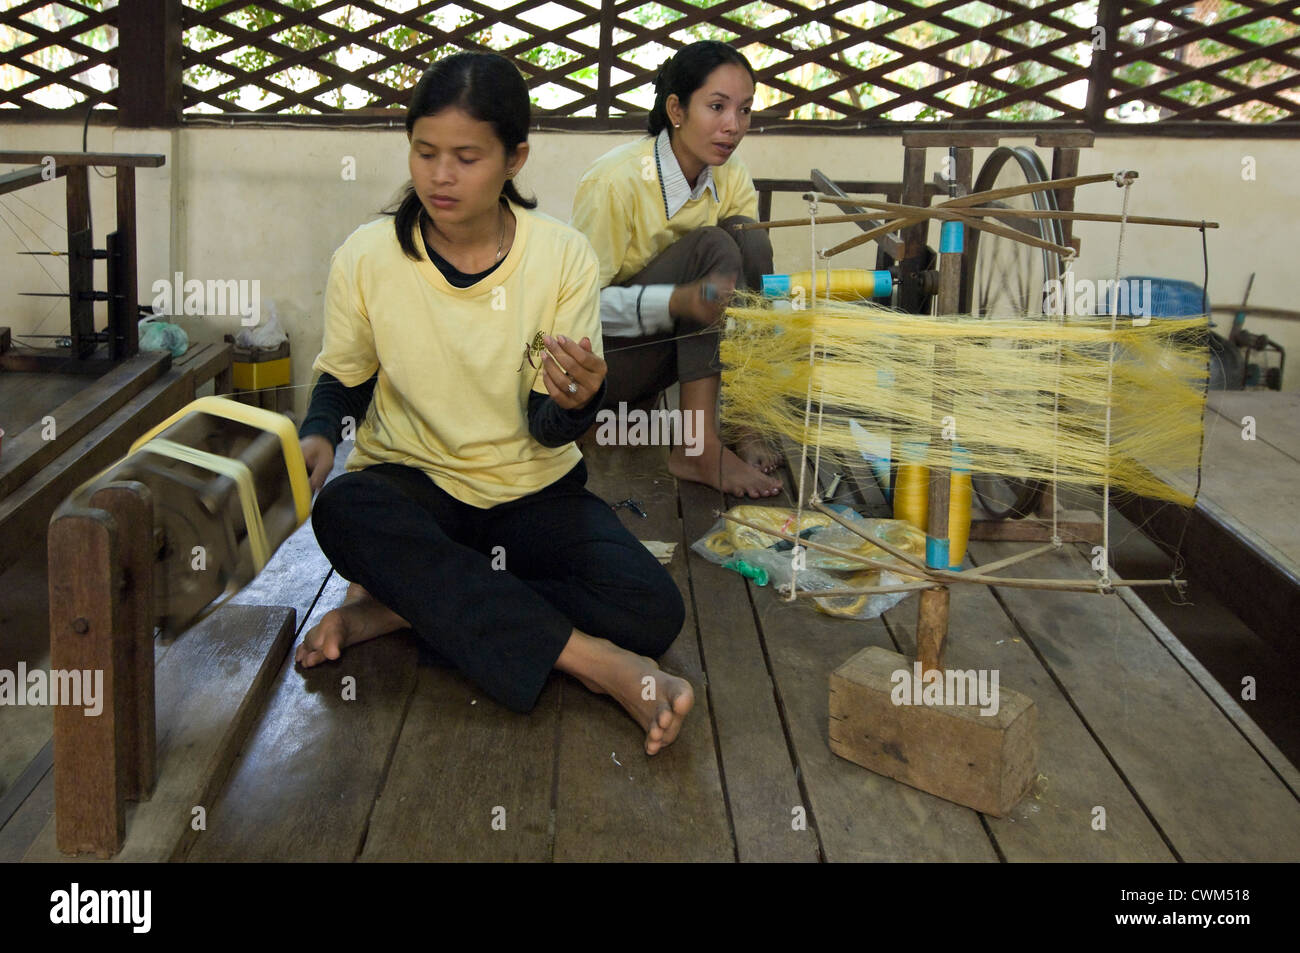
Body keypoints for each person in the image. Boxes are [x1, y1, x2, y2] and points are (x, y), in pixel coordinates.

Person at [294, 52, 693, 756]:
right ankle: (595, 664)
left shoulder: (561, 257)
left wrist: (580, 402)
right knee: (343, 510)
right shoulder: (367, 257)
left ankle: (399, 608)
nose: (440, 175)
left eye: (466, 157)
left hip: (530, 494)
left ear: (515, 158)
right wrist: (320, 433)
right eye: (424, 152)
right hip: (418, 489)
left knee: (651, 608)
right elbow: (344, 377)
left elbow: (547, 429)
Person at [571, 40, 783, 500]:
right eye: (717, 106)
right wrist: (676, 301)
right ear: (676, 109)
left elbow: (748, 282)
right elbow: (579, 314)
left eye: (744, 110)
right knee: (713, 246)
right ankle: (697, 448)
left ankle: (742, 421)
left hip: (673, 355)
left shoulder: (730, 173)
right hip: (606, 370)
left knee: (748, 236)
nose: (733, 126)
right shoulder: (615, 182)